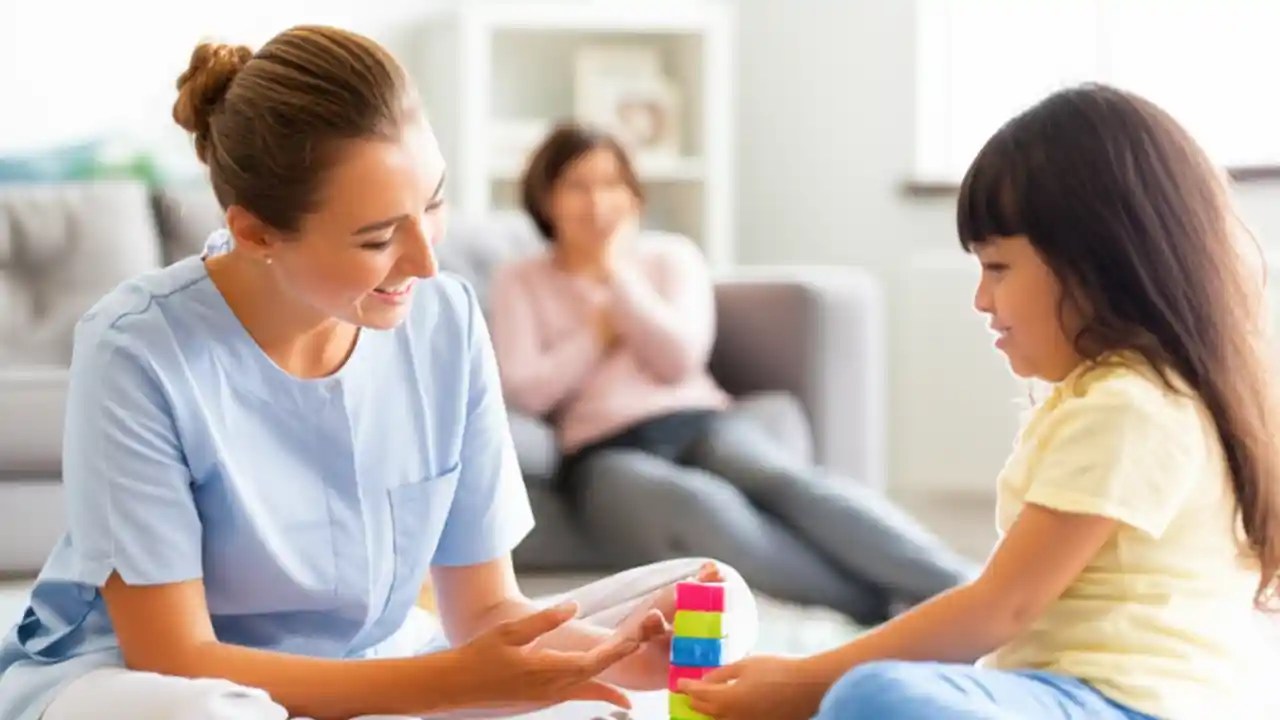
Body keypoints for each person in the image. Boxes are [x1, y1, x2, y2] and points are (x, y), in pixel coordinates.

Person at [0, 27, 759, 720]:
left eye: (433, 205)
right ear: (256, 233)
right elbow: (176, 657)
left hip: (384, 671)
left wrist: (611, 654)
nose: (427, 261)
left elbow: (483, 613)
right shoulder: (135, 349)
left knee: (715, 594)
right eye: (376, 239)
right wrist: (464, 684)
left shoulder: (446, 316)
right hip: (159, 686)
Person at [679, 83, 1280, 720]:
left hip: (1121, 707)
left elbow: (1002, 607)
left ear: (1094, 260)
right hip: (1063, 695)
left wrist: (804, 682)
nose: (981, 300)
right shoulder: (1124, 397)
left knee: (872, 694)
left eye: (997, 268)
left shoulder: (1130, 407)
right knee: (882, 691)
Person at [487, 122, 978, 625]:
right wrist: (595, 335)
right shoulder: (520, 280)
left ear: (633, 195)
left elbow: (679, 358)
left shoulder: (668, 257)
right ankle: (879, 608)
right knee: (704, 508)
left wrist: (618, 281)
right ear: (546, 199)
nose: (597, 202)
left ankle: (964, 587)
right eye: (577, 186)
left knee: (786, 482)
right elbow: (528, 390)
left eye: (611, 183)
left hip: (700, 420)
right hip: (603, 452)